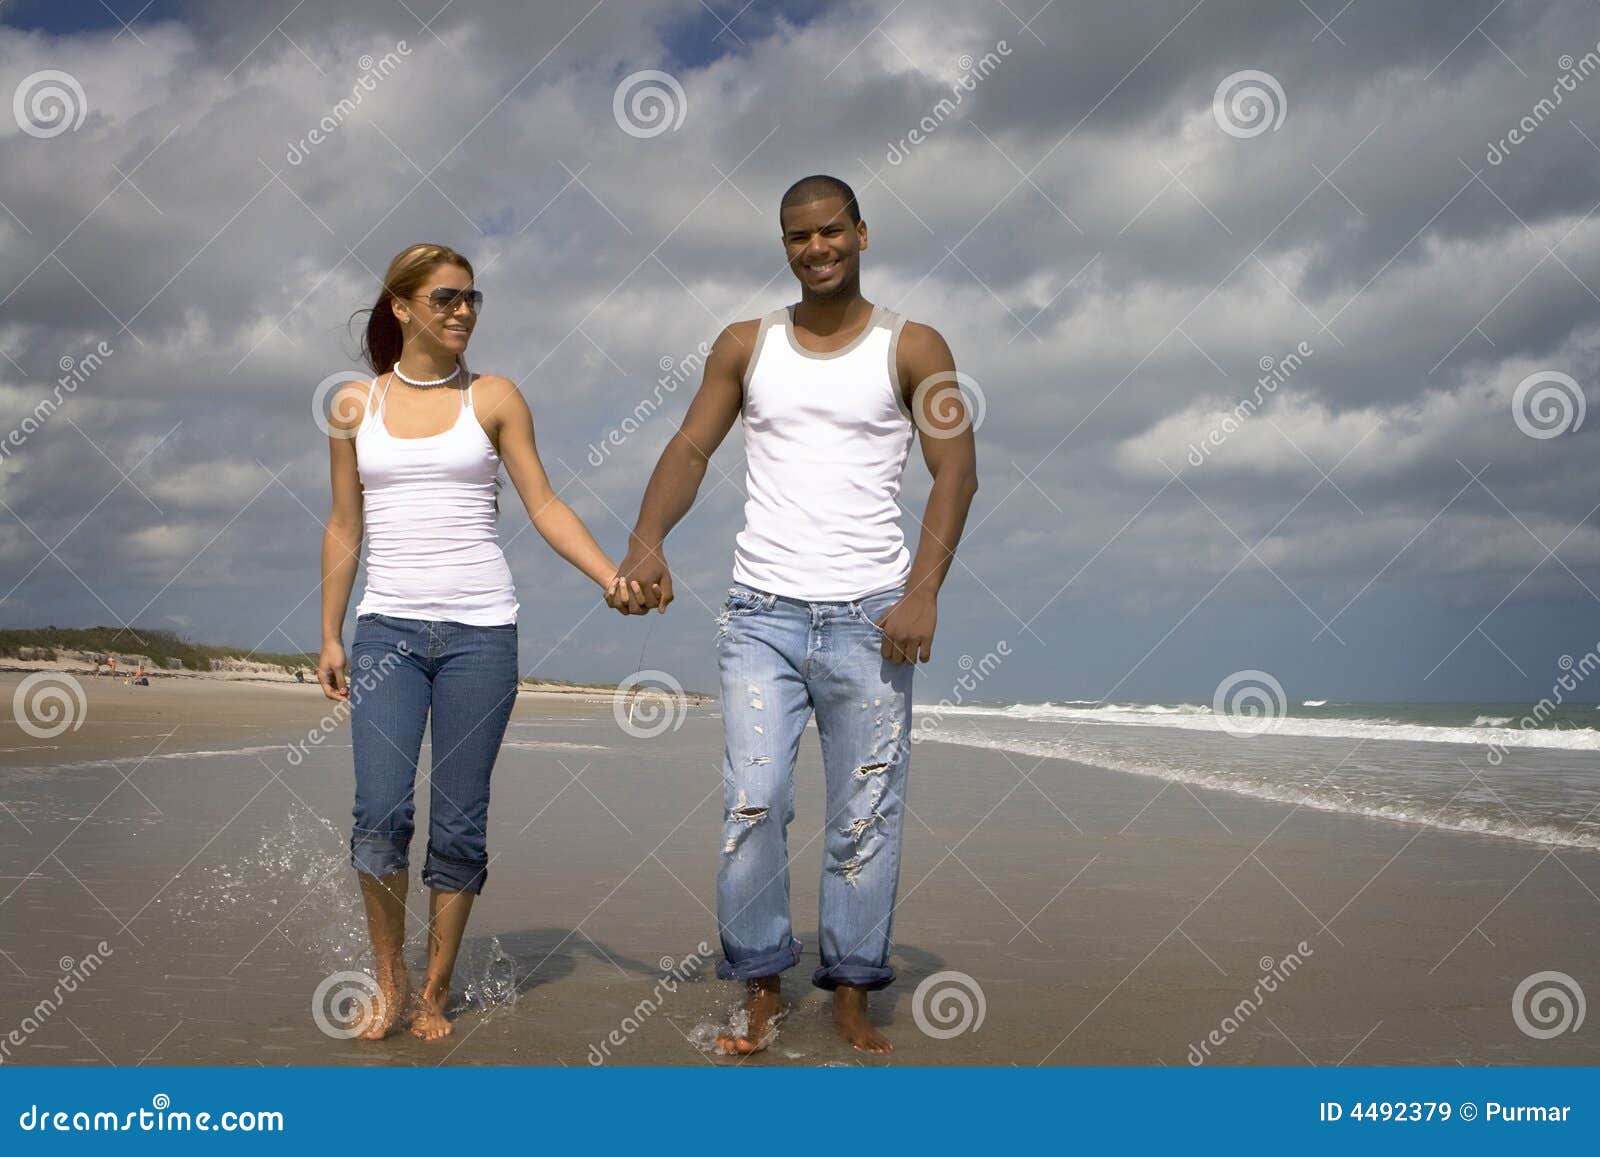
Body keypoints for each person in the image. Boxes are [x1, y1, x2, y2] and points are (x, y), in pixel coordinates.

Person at [609, 176, 979, 1054]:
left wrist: (923, 589)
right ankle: (760, 984)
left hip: (872, 617)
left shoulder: (915, 345)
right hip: (761, 615)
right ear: (785, 244)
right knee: (753, 800)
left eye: (830, 232)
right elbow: (692, 446)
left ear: (860, 232)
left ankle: (852, 987)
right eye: (797, 236)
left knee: (866, 812)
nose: (815, 249)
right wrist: (647, 538)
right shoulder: (746, 344)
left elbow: (956, 470)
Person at [319, 242, 630, 1041]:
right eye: (446, 297)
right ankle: (388, 980)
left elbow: (545, 503)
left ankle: (432, 992)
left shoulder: (494, 397)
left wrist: (609, 574)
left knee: (459, 821)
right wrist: (329, 631)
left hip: (481, 632)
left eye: (472, 298)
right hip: (386, 626)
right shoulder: (355, 405)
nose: (463, 310)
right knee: (380, 811)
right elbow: (344, 524)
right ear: (402, 306)